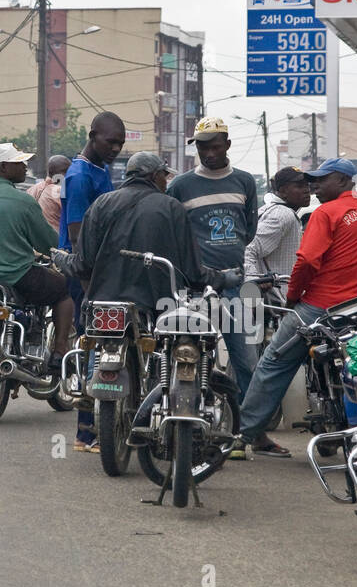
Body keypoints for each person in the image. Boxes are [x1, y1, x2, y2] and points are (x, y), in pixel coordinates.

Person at [232, 158, 357, 459]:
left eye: (323, 180)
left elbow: (306, 261)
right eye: (311, 181)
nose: (315, 186)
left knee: (274, 363)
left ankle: (243, 434)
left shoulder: (325, 213)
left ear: (346, 182)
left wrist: (294, 297)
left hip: (320, 305)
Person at [0, 143, 74, 414]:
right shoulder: (22, 201)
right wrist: (63, 256)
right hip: (17, 276)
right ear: (2, 168)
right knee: (64, 290)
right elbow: (48, 243)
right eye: (19, 163)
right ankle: (59, 351)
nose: (25, 167)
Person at [53, 151, 239, 313]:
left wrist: (62, 259)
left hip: (105, 304)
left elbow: (83, 264)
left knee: (90, 345)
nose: (166, 184)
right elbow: (192, 272)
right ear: (154, 176)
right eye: (164, 177)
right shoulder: (171, 207)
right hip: (159, 306)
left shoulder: (101, 204)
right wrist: (222, 278)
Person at [167, 117, 259, 405]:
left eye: (214, 147)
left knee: (246, 360)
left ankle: (248, 430)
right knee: (188, 354)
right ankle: (188, 418)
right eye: (202, 147)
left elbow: (250, 230)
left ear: (227, 145)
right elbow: (173, 233)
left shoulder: (244, 181)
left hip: (234, 285)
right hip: (194, 288)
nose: (208, 153)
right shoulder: (181, 186)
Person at [61, 111, 126, 451]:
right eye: (110, 141)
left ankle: (91, 430)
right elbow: (76, 234)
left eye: (120, 143)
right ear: (92, 135)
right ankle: (87, 432)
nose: (115, 148)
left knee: (103, 344)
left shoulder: (101, 169)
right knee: (94, 344)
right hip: (85, 272)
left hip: (101, 269)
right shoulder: (80, 175)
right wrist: (88, 285)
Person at [243, 166, 307, 368]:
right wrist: (253, 280)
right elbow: (249, 248)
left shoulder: (277, 211)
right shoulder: (282, 215)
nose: (307, 190)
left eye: (307, 185)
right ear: (282, 190)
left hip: (272, 304)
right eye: (299, 186)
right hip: (277, 303)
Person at [30, 154, 70, 230]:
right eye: (67, 171)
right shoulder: (61, 191)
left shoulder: (31, 189)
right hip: (56, 239)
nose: (70, 174)